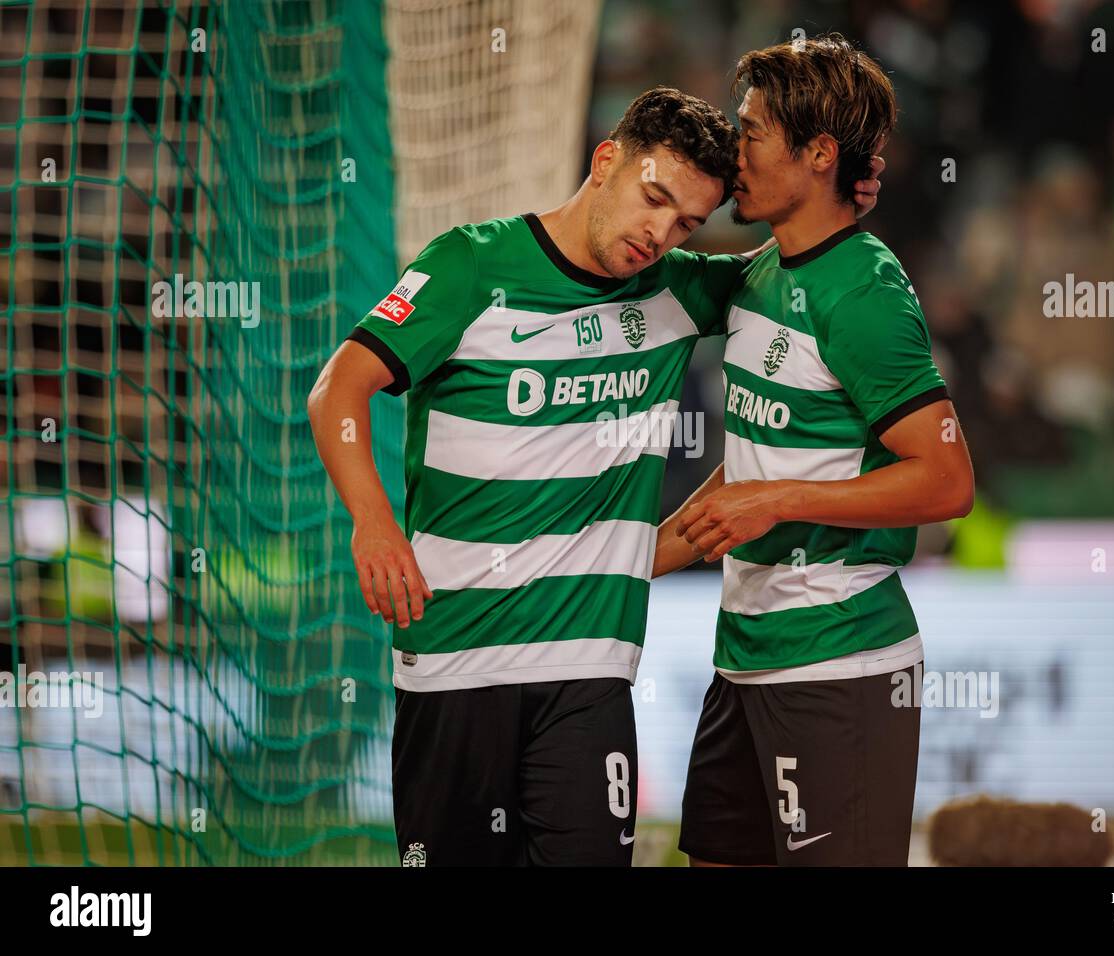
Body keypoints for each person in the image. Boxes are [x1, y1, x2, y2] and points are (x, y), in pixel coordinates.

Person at [307, 85, 881, 866]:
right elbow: (338, 388)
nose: (660, 232)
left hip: (589, 669)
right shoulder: (472, 264)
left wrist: (833, 196)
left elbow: (794, 268)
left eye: (685, 222)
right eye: (654, 198)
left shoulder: (674, 290)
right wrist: (371, 522)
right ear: (605, 159)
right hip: (451, 662)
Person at [654, 35, 974, 867]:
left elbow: (946, 482)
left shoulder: (863, 295)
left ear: (819, 154)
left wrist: (780, 502)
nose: (735, 146)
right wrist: (624, 558)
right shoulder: (763, 271)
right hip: (743, 659)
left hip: (841, 665)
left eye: (752, 130)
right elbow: (765, 463)